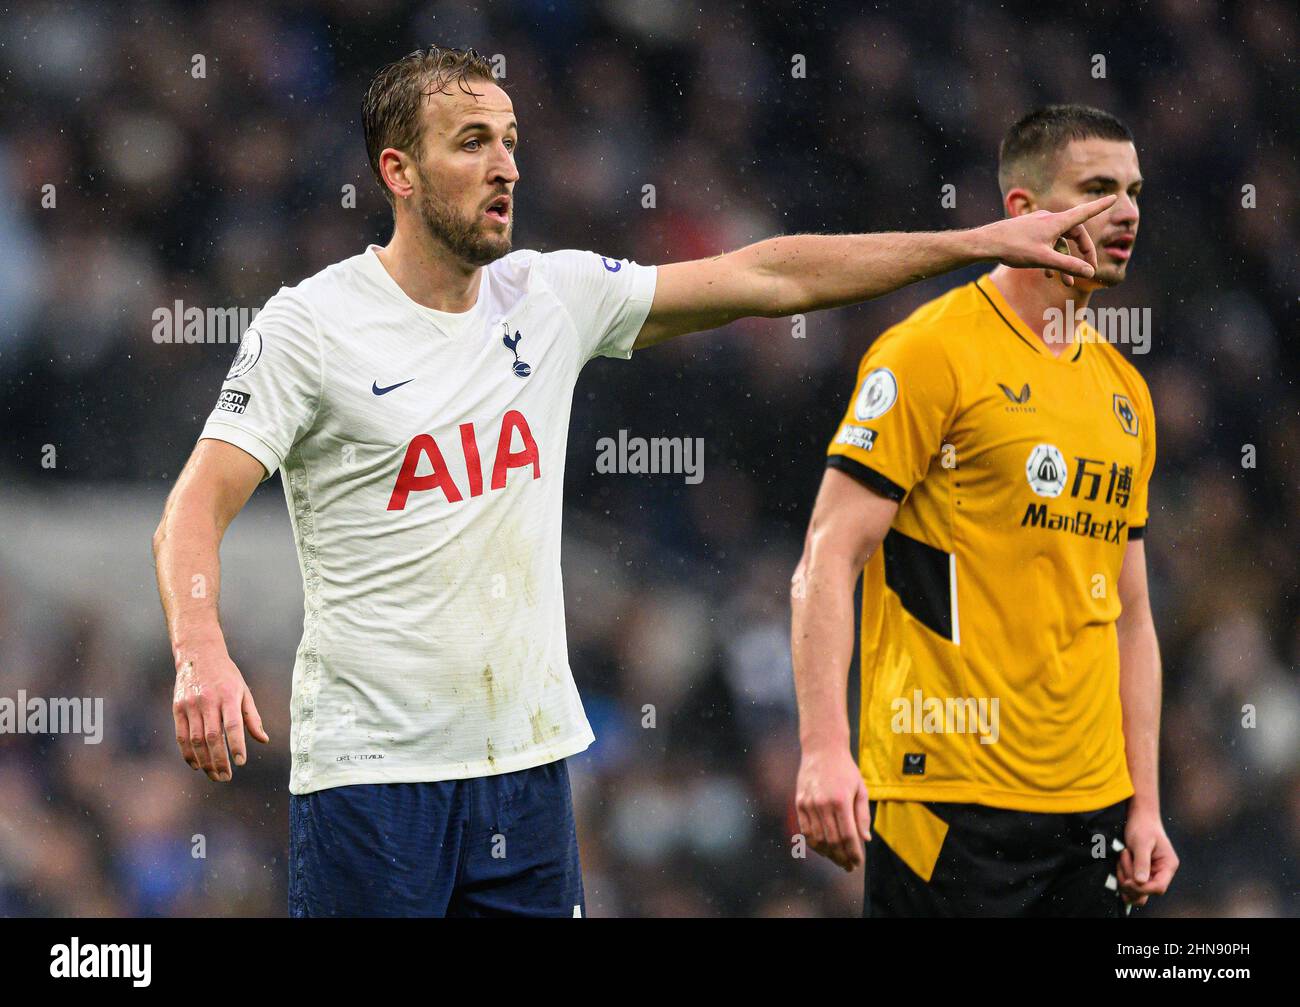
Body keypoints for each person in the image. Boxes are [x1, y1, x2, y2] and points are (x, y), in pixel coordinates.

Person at [152, 48, 1112, 917]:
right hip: (371, 778)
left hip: (526, 768)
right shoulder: (312, 325)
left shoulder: (553, 294)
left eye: (514, 142)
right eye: (473, 143)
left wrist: (972, 244)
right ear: (397, 173)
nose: (507, 167)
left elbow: (769, 278)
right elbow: (195, 505)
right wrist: (201, 651)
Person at [790, 104, 1178, 916]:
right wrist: (825, 749)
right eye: (1099, 189)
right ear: (1025, 212)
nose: (1129, 210)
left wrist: (1144, 801)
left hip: (1092, 812)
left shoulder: (1126, 394)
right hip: (949, 801)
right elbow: (829, 554)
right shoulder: (930, 352)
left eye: (1135, 189)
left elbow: (1130, 614)